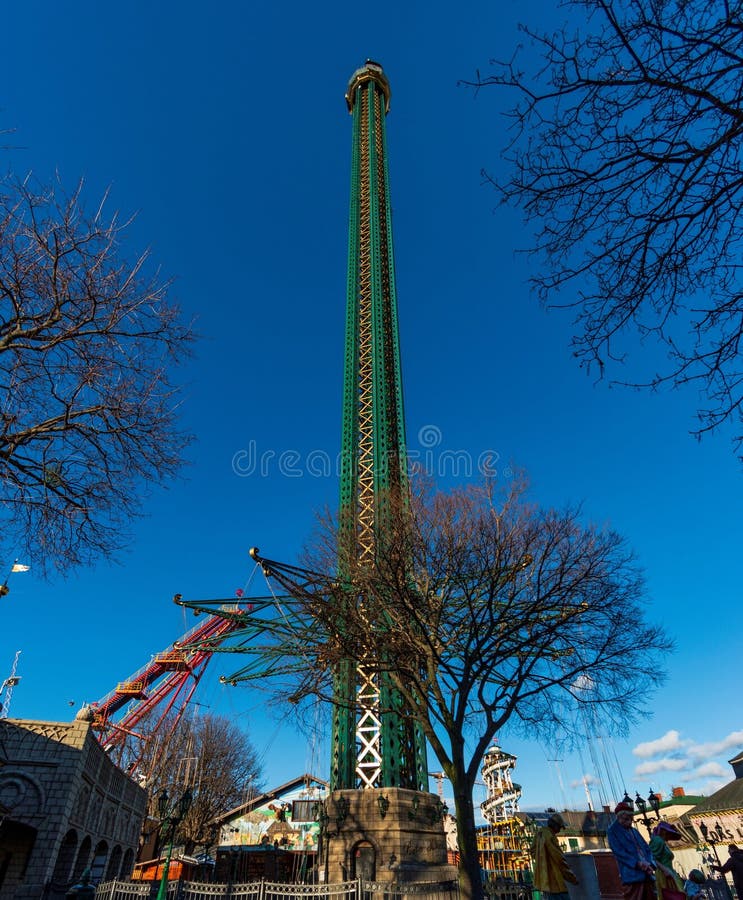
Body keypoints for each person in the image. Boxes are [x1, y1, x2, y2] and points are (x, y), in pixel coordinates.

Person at [607, 802, 656, 900]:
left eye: (631, 819)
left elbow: (646, 848)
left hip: (646, 874)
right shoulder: (612, 831)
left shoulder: (634, 831)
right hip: (632, 876)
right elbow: (619, 853)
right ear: (619, 817)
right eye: (626, 819)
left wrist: (651, 863)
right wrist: (637, 863)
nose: (629, 822)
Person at [531, 812, 579, 900]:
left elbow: (533, 851)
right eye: (560, 828)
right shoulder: (550, 836)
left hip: (545, 884)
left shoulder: (539, 833)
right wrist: (572, 878)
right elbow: (559, 859)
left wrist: (543, 862)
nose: (559, 831)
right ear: (555, 826)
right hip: (556, 884)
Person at [649, 821, 685, 898]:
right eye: (669, 833)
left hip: (669, 872)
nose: (670, 837)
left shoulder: (662, 842)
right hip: (664, 873)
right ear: (664, 832)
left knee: (677, 895)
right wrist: (665, 870)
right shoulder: (658, 840)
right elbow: (652, 858)